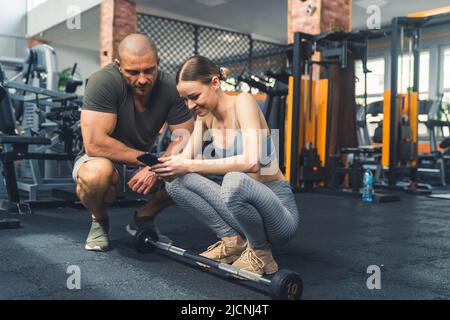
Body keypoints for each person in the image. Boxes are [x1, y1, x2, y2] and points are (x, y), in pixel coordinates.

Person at [151, 55, 300, 275]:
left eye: (194, 96)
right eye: (185, 100)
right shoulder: (205, 118)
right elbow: (184, 160)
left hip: (278, 215)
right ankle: (233, 242)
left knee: (233, 180)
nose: (190, 106)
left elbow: (251, 162)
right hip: (244, 213)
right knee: (175, 182)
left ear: (214, 83)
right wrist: (161, 167)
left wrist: (190, 165)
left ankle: (261, 253)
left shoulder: (243, 102)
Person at [73, 33, 194, 251]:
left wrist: (157, 167)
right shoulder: (103, 82)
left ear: (158, 63)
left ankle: (143, 218)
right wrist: (150, 162)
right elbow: (95, 144)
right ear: (118, 66)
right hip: (103, 161)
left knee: (191, 170)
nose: (142, 79)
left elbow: (185, 136)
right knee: (95, 175)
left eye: (149, 70)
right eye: (133, 72)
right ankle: (99, 220)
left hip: (145, 164)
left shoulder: (168, 87)